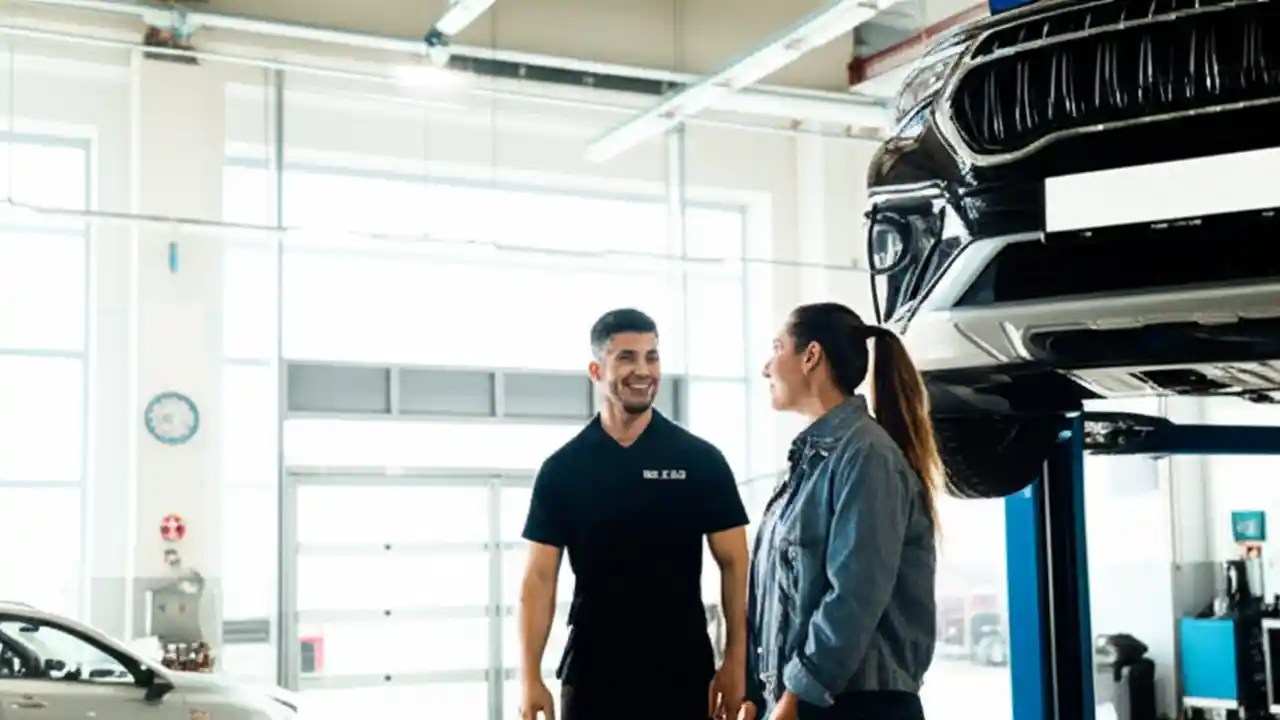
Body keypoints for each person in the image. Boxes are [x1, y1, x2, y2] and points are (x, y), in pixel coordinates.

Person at [519, 308, 752, 720]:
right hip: (592, 676)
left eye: (652, 356)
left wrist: (736, 661)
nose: (643, 370)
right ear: (596, 369)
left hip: (681, 674)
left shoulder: (700, 461)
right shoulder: (563, 469)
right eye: (626, 357)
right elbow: (539, 578)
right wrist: (529, 676)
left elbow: (735, 563)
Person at [744, 302, 943, 720]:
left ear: (811, 356)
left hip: (856, 706)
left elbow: (854, 594)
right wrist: (756, 694)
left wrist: (794, 699)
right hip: (811, 702)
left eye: (777, 347)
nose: (766, 367)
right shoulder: (813, 460)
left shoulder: (867, 456)